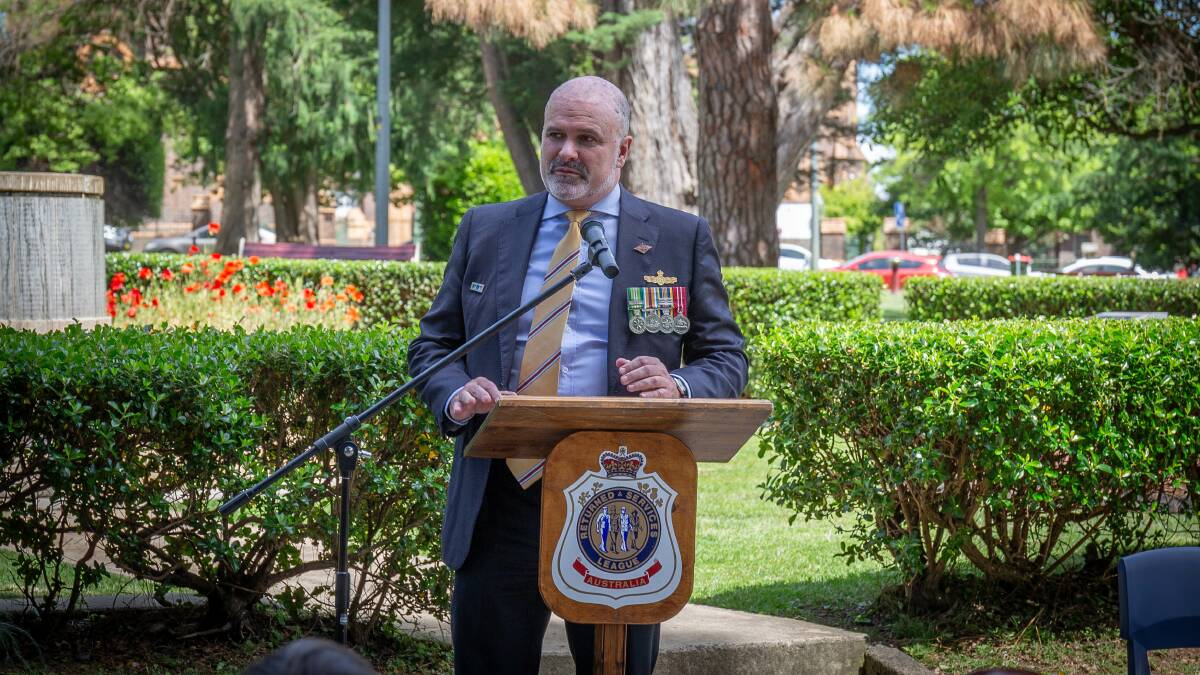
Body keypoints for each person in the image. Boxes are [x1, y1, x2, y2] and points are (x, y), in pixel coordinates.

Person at [408, 75, 748, 675]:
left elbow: (726, 359)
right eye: (555, 135)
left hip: (621, 499)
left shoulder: (675, 237)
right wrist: (456, 391)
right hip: (499, 495)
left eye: (586, 138)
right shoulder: (485, 229)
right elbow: (436, 345)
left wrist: (680, 385)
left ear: (623, 150)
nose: (566, 151)